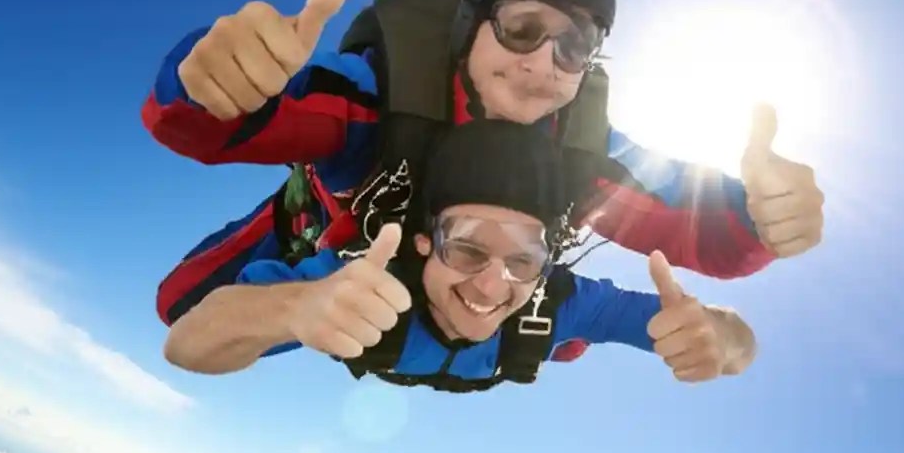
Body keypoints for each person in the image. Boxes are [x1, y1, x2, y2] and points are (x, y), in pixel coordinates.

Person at [142, 0, 823, 364]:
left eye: (575, 46)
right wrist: (215, 79)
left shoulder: (582, 156)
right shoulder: (381, 101)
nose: (542, 63)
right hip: (324, 227)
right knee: (179, 305)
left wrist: (766, 221)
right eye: (522, 28)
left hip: (461, 289)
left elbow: (702, 224)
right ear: (471, 26)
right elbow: (230, 116)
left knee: (539, 317)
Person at [162, 120, 757, 392]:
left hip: (540, 336)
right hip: (341, 240)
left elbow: (736, 341)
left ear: (546, 265)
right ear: (424, 244)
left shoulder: (555, 306)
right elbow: (186, 342)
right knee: (173, 300)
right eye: (468, 249)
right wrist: (293, 308)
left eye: (523, 260)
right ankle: (314, 193)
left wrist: (717, 339)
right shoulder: (365, 286)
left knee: (565, 338)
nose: (492, 284)